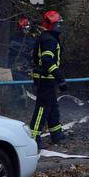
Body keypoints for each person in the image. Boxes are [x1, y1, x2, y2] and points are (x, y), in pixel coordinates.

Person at [28, 11, 66, 146]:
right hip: (45, 79)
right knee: (42, 108)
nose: (60, 26)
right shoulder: (49, 39)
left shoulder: (47, 37)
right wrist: (60, 78)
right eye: (58, 24)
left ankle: (57, 134)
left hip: (47, 79)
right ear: (51, 25)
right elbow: (47, 61)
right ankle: (34, 137)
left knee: (52, 106)